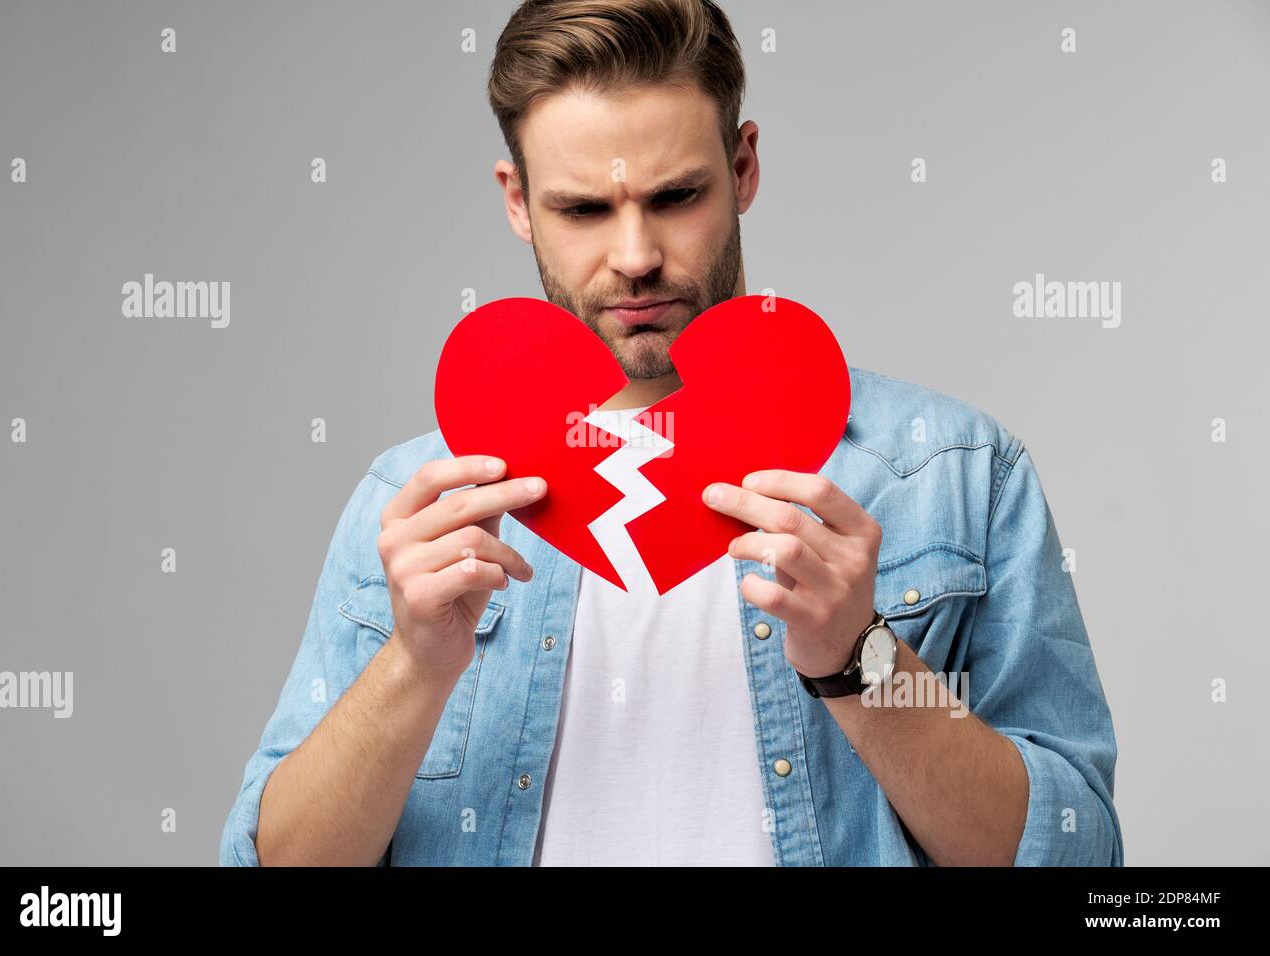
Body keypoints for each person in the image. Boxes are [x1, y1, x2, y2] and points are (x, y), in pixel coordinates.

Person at [220, 0, 1123, 867]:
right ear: (516, 201)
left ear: (744, 168)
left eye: (677, 195)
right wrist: (415, 665)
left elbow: (1080, 856)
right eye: (582, 210)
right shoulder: (415, 503)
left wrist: (863, 660)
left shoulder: (952, 473)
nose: (636, 255)